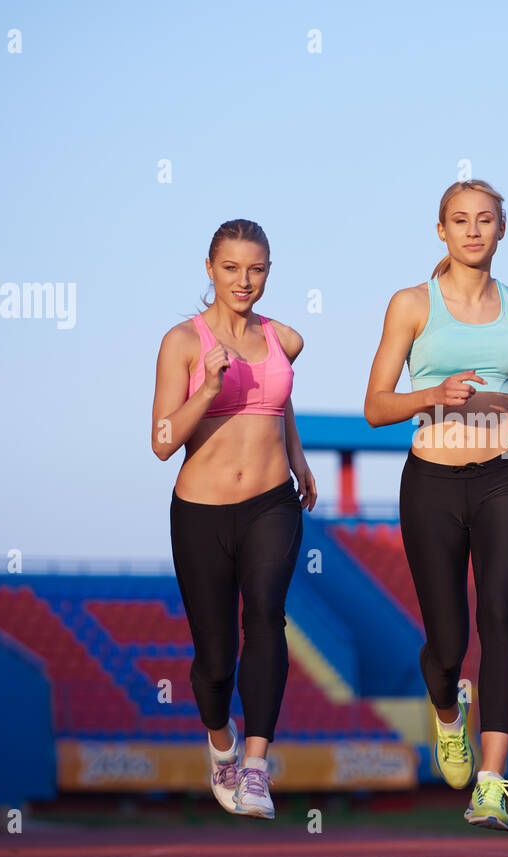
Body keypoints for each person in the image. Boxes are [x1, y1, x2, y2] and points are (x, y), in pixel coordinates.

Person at [363, 180, 508, 830]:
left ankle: (493, 781)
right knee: (447, 643)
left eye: (485, 220)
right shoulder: (412, 306)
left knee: (501, 616)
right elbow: (374, 406)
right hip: (432, 484)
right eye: (459, 220)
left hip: (503, 480)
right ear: (440, 230)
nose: (473, 231)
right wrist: (432, 394)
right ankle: (448, 711)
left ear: (503, 229)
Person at [150, 219, 317, 818]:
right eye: (232, 268)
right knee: (215, 659)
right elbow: (162, 441)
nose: (244, 280)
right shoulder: (183, 343)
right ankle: (221, 743)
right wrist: (207, 387)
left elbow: (279, 397)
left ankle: (254, 766)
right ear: (210, 269)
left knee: (268, 619)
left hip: (272, 503)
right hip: (201, 513)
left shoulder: (285, 338)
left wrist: (298, 459)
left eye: (257, 269)